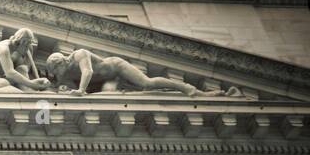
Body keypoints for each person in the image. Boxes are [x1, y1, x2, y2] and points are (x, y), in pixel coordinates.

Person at [45, 48, 239, 96]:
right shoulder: (63, 73)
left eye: (57, 69)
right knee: (114, 97)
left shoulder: (79, 54)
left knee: (147, 83)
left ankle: (188, 89)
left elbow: (87, 72)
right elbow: (55, 86)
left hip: (116, 68)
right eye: (54, 72)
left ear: (61, 61)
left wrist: (80, 91)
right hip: (106, 83)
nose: (57, 73)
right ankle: (169, 96)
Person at [0, 28, 50, 92]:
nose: (28, 50)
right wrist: (32, 84)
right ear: (21, 42)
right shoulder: (3, 49)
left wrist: (35, 83)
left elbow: (23, 73)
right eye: (27, 46)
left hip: (3, 78)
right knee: (4, 83)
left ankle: (28, 95)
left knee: (21, 69)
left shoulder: (24, 49)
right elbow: (10, 73)